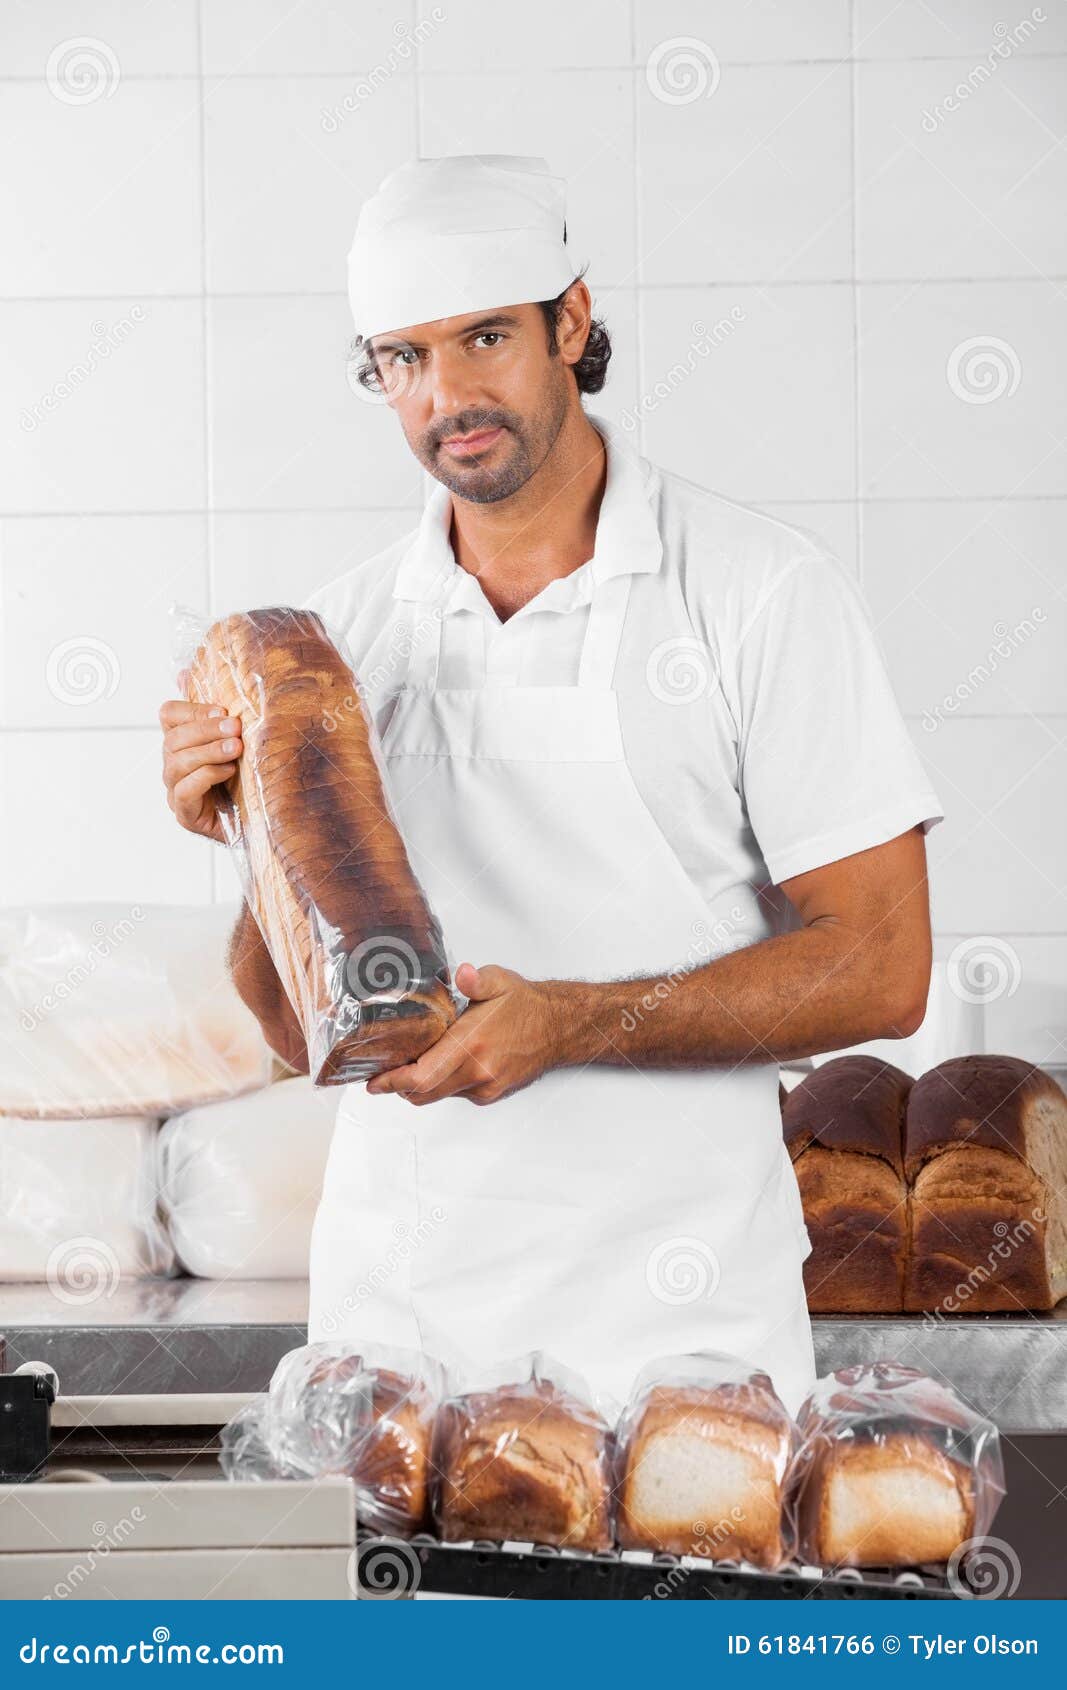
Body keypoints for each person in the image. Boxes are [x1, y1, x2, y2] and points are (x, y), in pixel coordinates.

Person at [159, 155, 943, 1417]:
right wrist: (243, 835)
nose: (446, 396)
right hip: (401, 1336)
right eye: (400, 359)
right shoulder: (344, 634)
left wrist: (571, 1021)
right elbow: (294, 1023)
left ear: (570, 322)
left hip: (681, 1346)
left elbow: (882, 966)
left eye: (482, 337)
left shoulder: (755, 594)